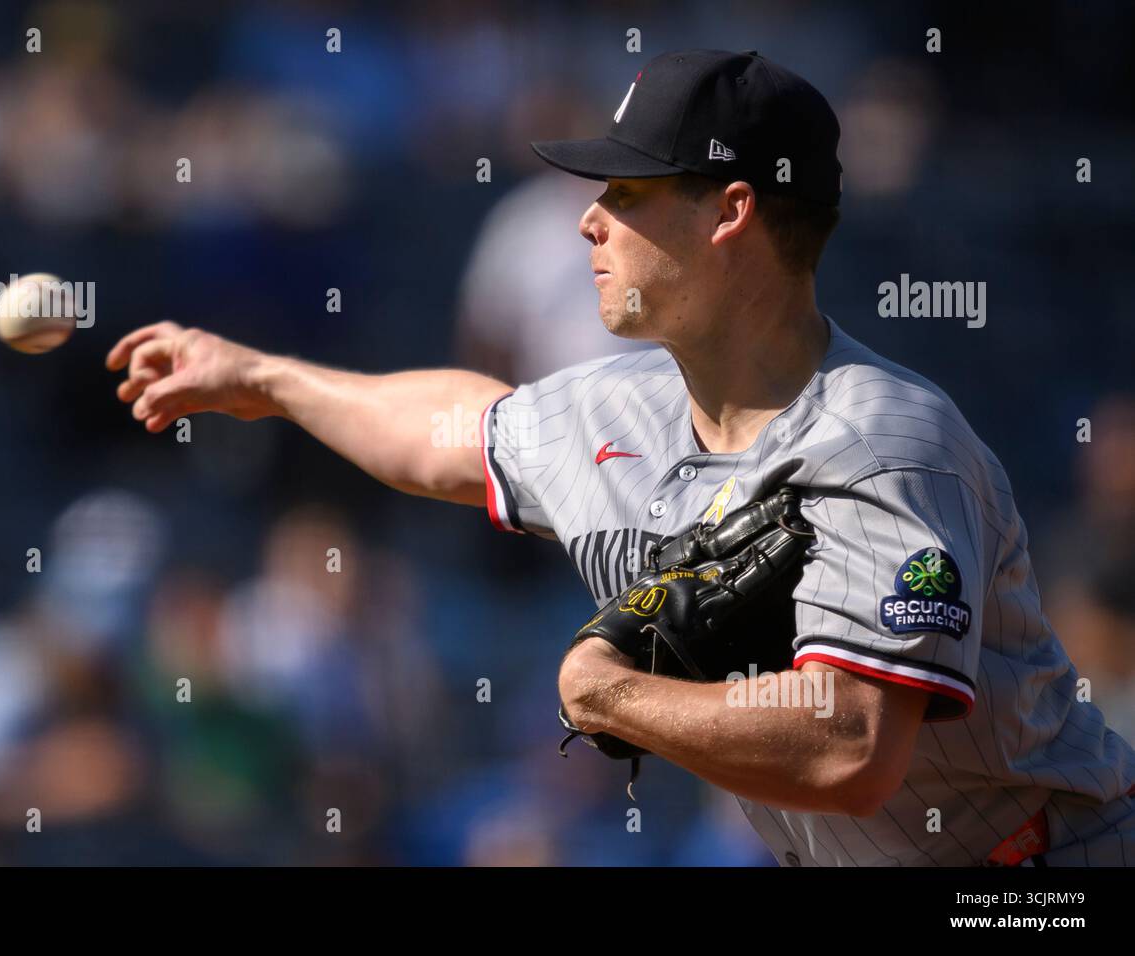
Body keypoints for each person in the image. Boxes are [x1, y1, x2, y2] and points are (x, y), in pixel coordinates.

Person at [107, 50, 1134, 866]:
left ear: (731, 212)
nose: (589, 218)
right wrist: (265, 380)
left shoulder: (882, 446)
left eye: (628, 193)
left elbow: (851, 746)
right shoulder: (632, 403)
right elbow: (449, 432)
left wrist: (607, 693)